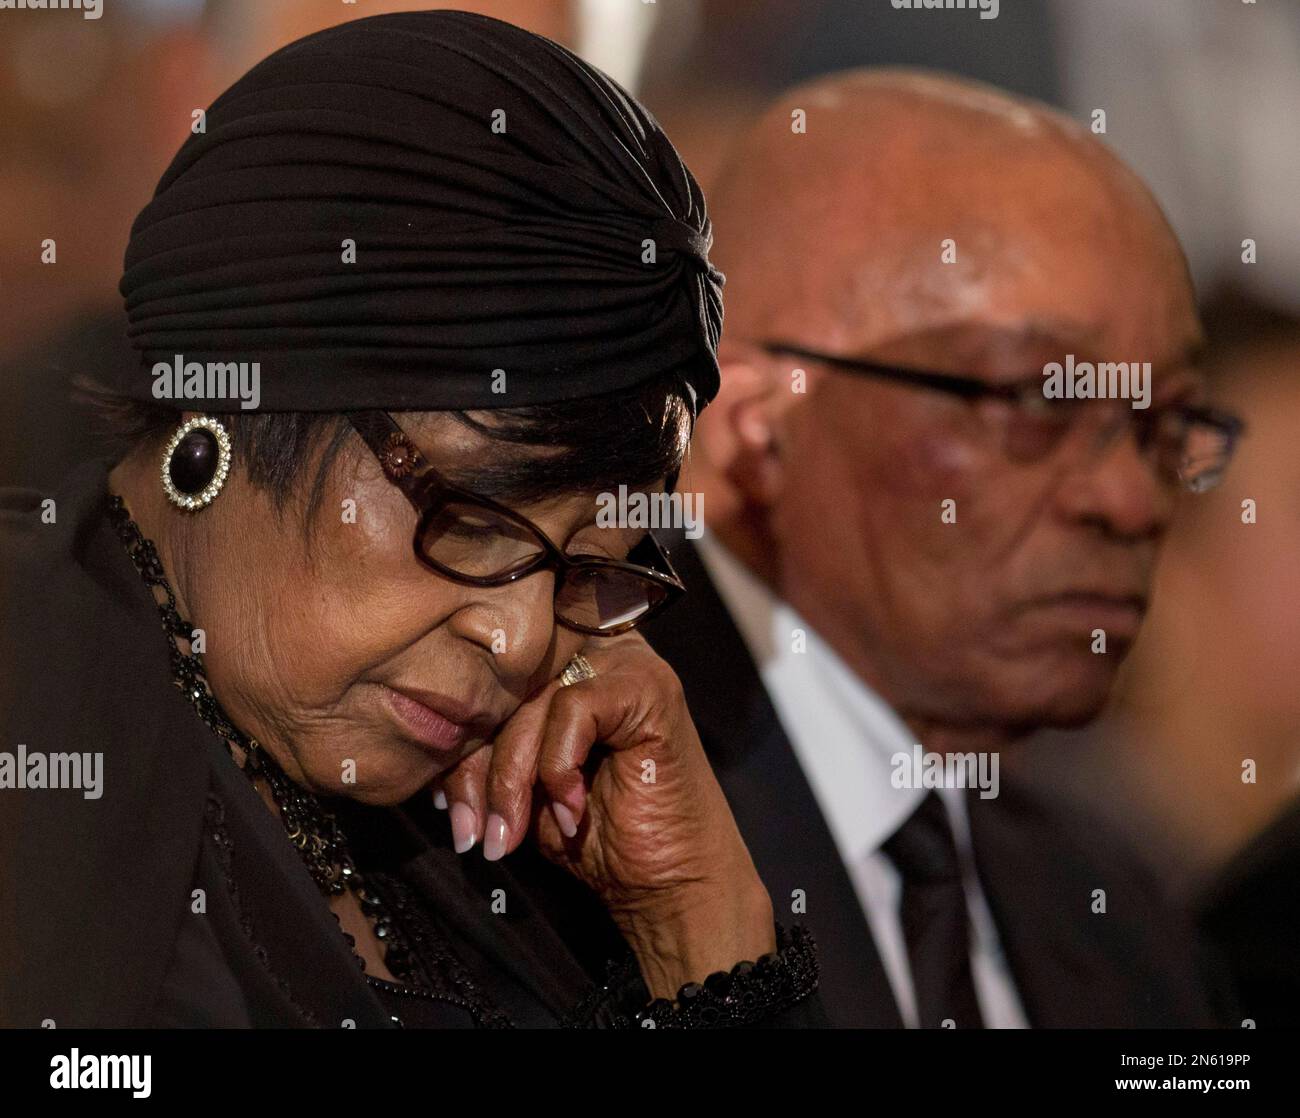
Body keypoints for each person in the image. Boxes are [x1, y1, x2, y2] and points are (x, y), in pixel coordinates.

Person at [0, 11, 823, 1029]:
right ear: (241, 402)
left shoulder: (516, 844)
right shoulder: (36, 735)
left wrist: (693, 923)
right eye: (474, 523)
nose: (521, 640)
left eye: (586, 571)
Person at [642, 69, 1240, 1027]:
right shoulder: (587, 822)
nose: (1131, 500)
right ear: (755, 424)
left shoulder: (1117, 916)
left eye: (1166, 422)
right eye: (1035, 399)